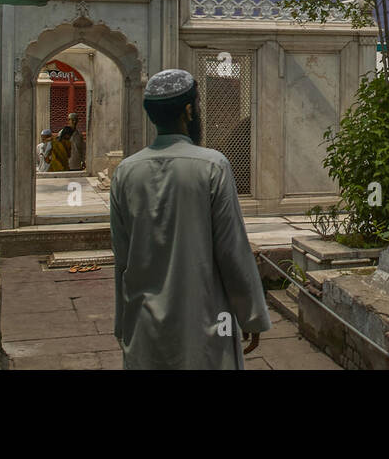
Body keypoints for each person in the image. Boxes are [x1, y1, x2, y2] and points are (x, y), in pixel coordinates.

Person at [110, 69, 271, 369]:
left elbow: (122, 258)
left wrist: (123, 322)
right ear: (188, 110)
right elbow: (232, 251)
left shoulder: (125, 173)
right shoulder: (212, 166)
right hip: (205, 326)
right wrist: (251, 315)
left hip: (144, 326)